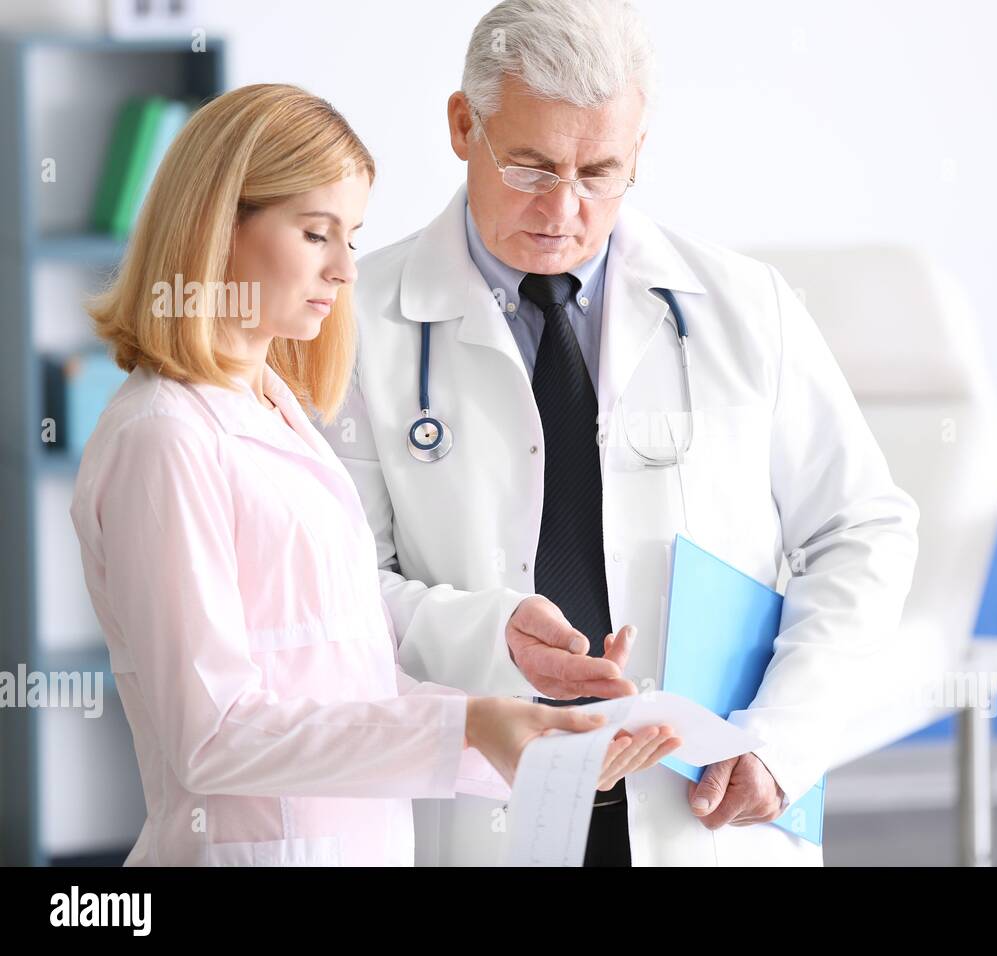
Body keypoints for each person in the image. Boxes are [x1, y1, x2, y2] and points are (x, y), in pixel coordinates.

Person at [325, 0, 920, 867]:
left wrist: (783, 741)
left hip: (701, 805)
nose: (564, 209)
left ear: (639, 151)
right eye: (529, 165)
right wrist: (490, 636)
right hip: (481, 805)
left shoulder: (746, 308)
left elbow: (862, 529)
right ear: (464, 125)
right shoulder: (355, 321)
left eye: (600, 171)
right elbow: (342, 593)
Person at [70, 83, 679, 867]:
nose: (344, 271)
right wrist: (469, 727)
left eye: (351, 239)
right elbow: (213, 735)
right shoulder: (165, 437)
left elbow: (343, 671)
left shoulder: (274, 413)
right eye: (316, 233)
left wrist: (516, 735)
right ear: (217, 229)